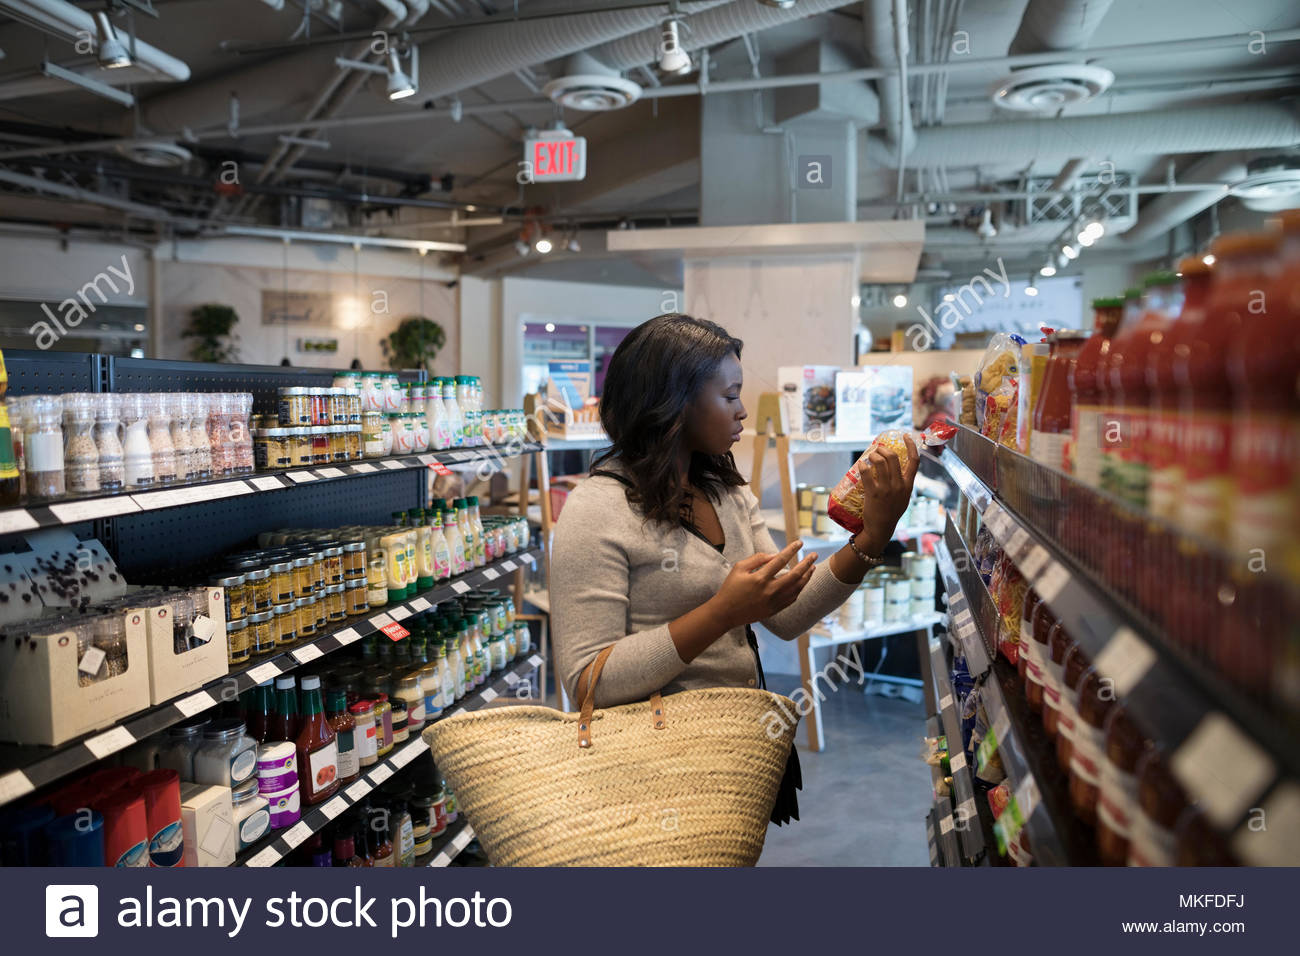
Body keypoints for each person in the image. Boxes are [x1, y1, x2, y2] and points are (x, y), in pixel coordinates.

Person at [550, 313, 918, 824]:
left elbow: (785, 618)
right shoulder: (597, 510)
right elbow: (590, 680)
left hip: (733, 750)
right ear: (673, 402)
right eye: (729, 396)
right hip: (652, 769)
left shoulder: (725, 492)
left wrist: (871, 538)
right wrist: (722, 613)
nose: (743, 410)